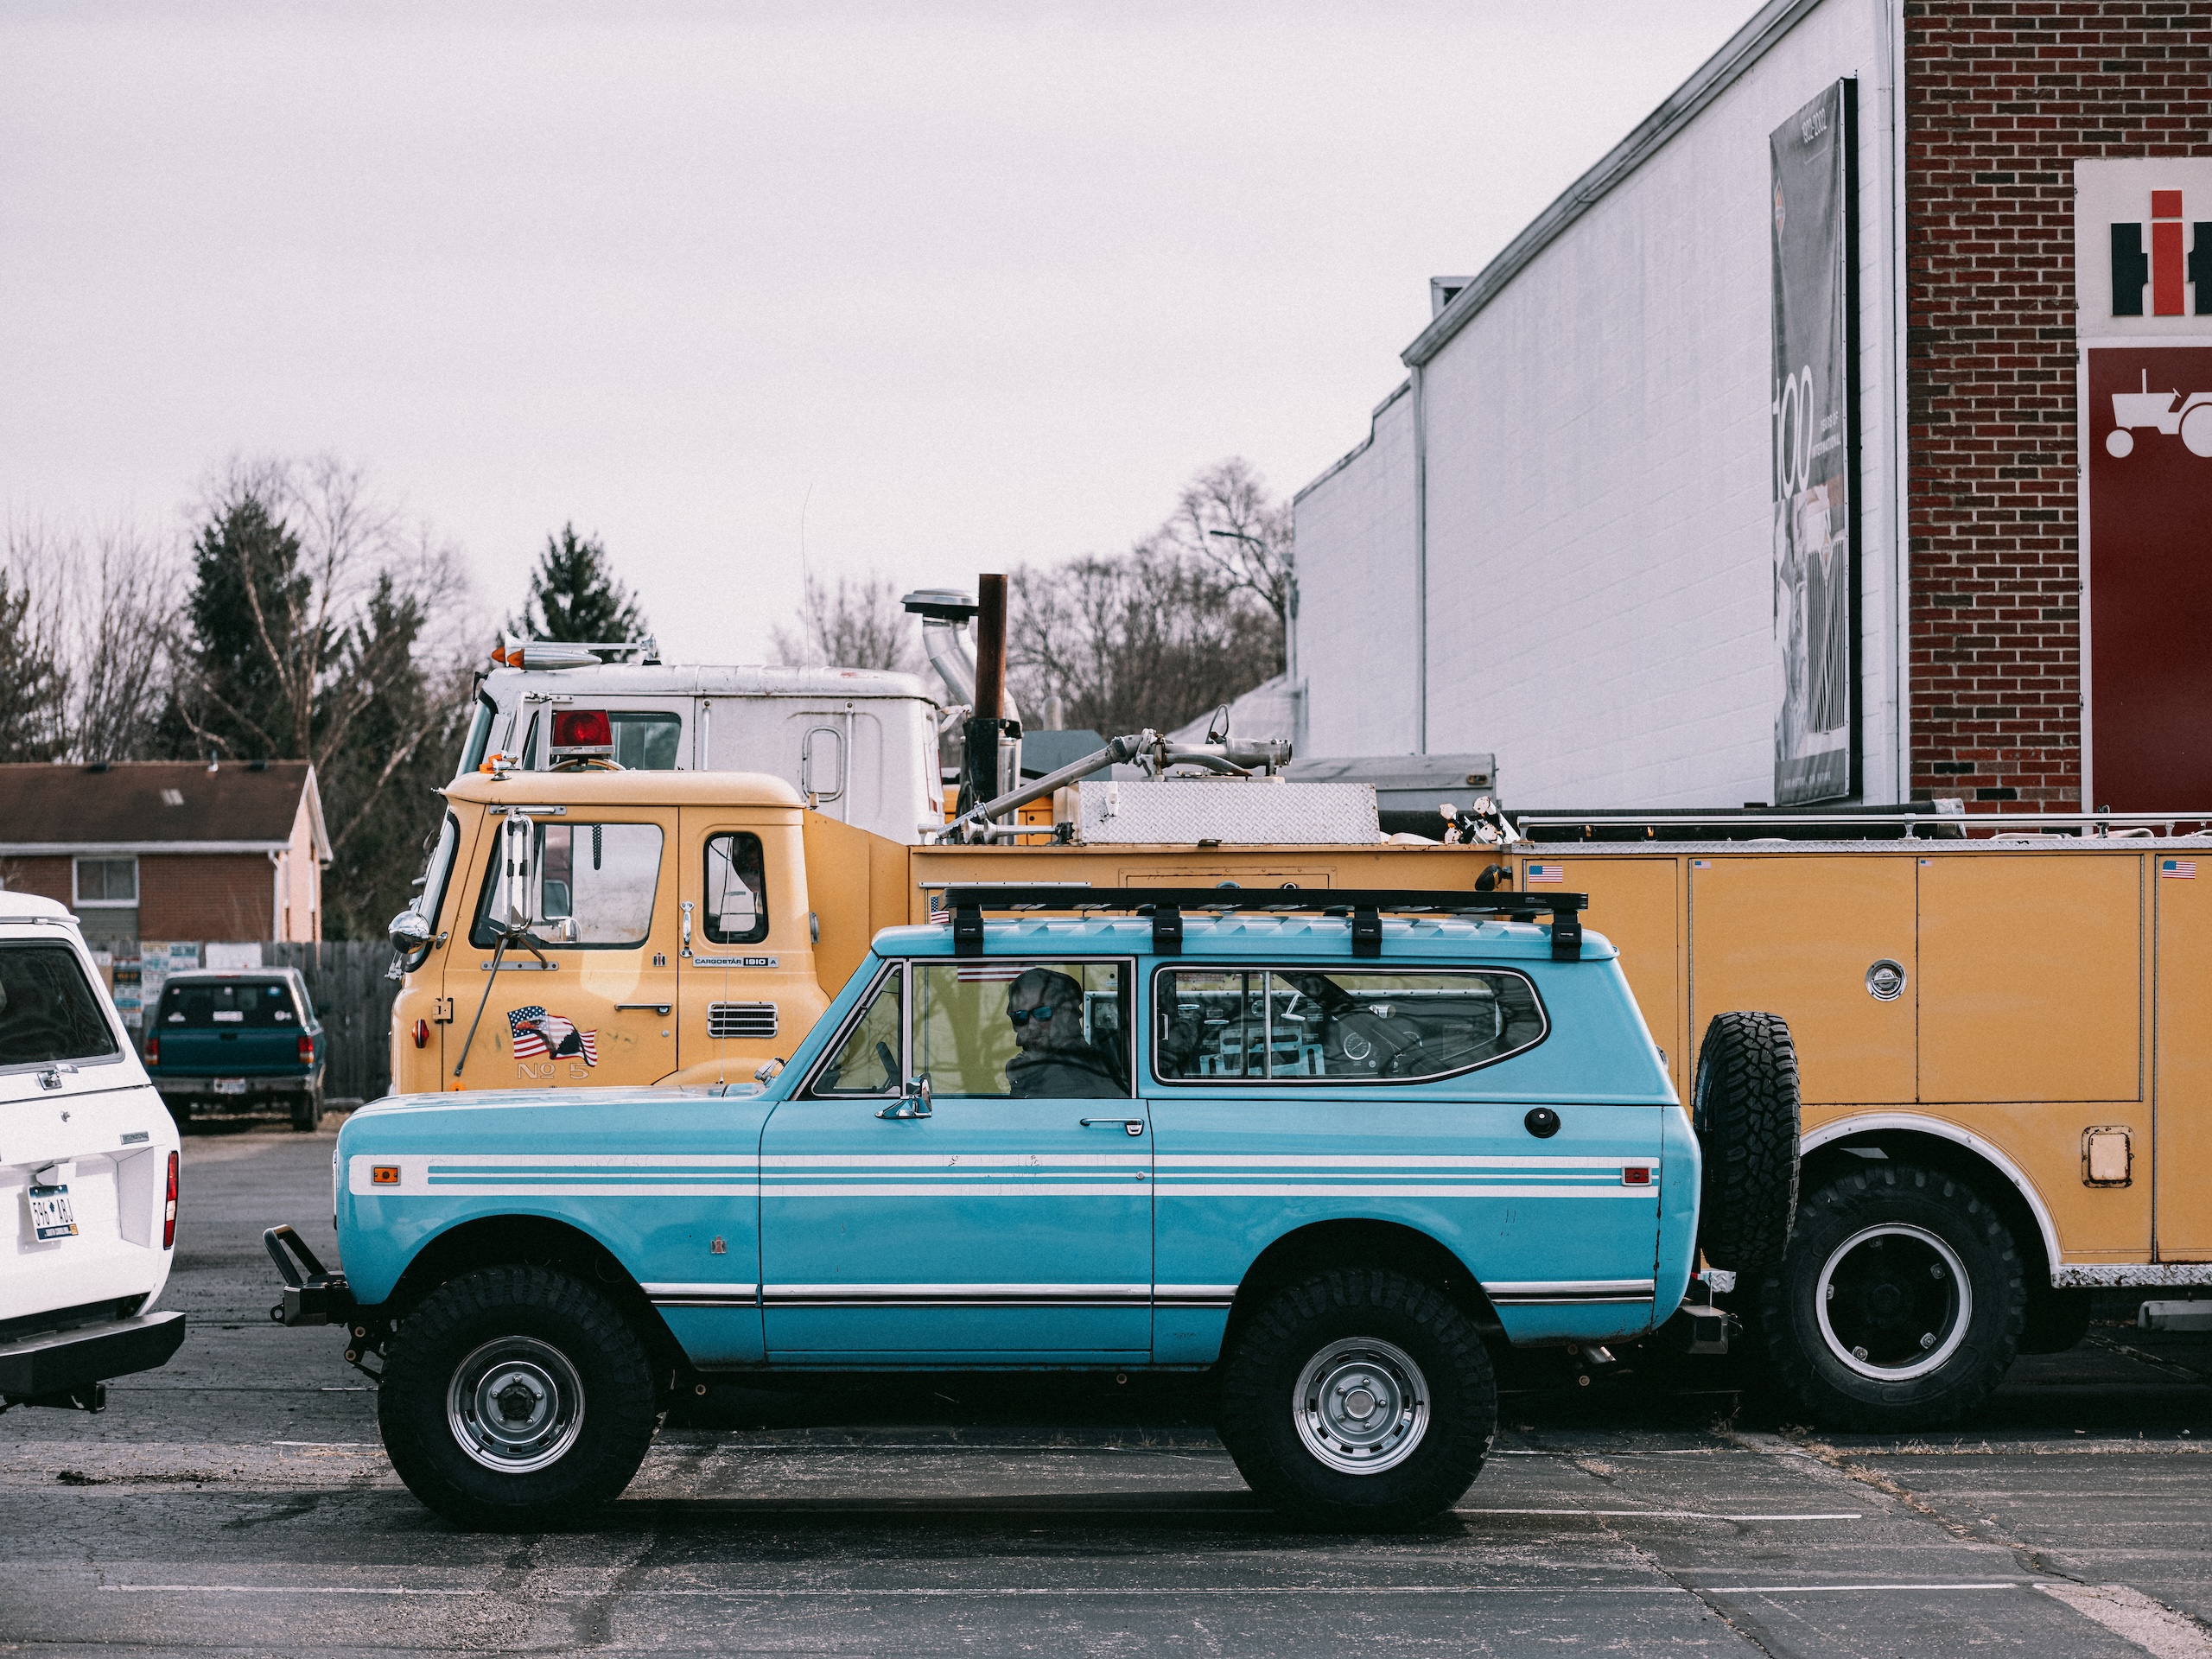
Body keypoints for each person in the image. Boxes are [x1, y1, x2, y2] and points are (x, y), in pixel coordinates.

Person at [1002, 968, 1122, 1098]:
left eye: (1042, 1013)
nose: (1031, 1025)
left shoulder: (1071, 1075)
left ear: (1065, 1012)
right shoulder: (1040, 1067)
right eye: (1020, 1017)